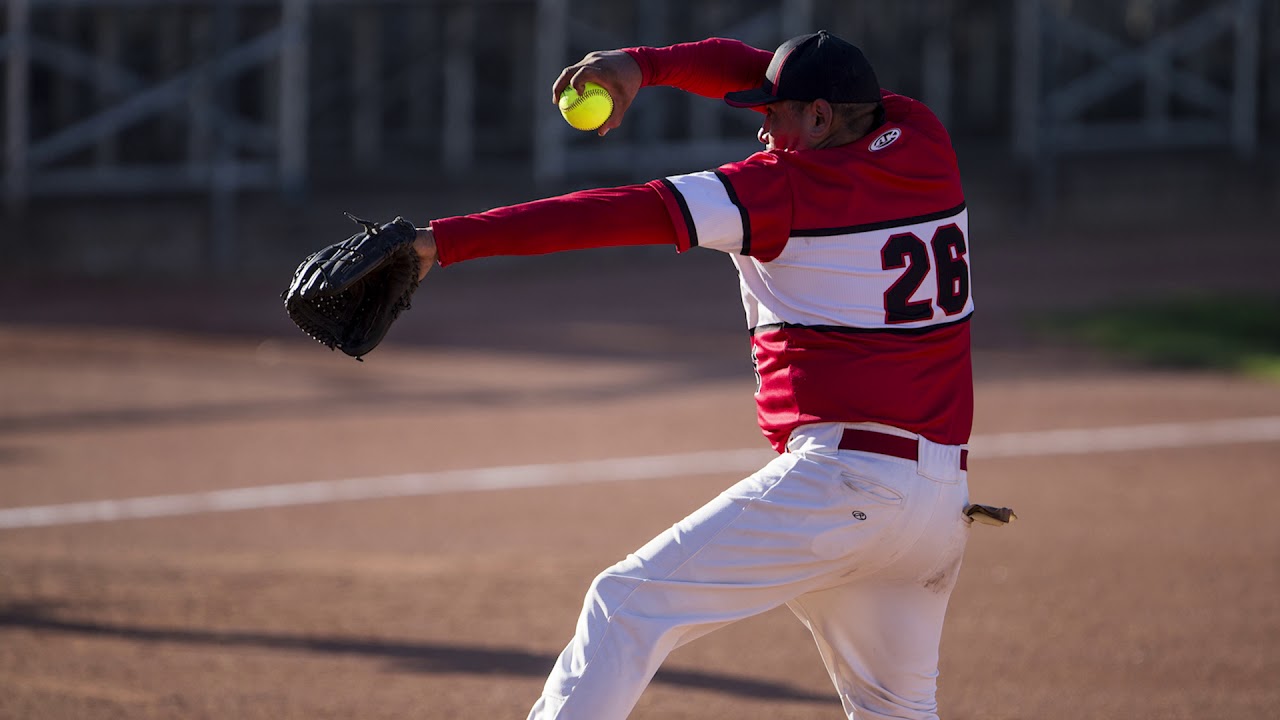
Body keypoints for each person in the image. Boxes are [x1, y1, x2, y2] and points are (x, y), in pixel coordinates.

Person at [413, 30, 974, 720]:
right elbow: (760, 71)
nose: (761, 128)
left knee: (627, 604)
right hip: (939, 505)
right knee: (897, 709)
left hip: (842, 487)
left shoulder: (778, 190)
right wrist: (638, 67)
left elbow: (610, 216)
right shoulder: (921, 135)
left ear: (820, 117)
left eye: (773, 114)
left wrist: (441, 242)